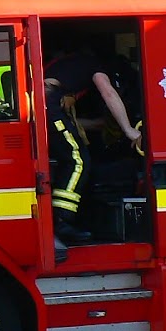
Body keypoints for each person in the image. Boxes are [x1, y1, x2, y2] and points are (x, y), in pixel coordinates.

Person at [44, 48, 142, 246]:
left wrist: (101, 124)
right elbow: (109, 93)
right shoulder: (94, 65)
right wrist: (129, 129)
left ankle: (64, 219)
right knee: (77, 160)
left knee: (73, 158)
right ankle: (61, 220)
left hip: (44, 105)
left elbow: (71, 123)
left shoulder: (66, 65)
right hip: (47, 104)